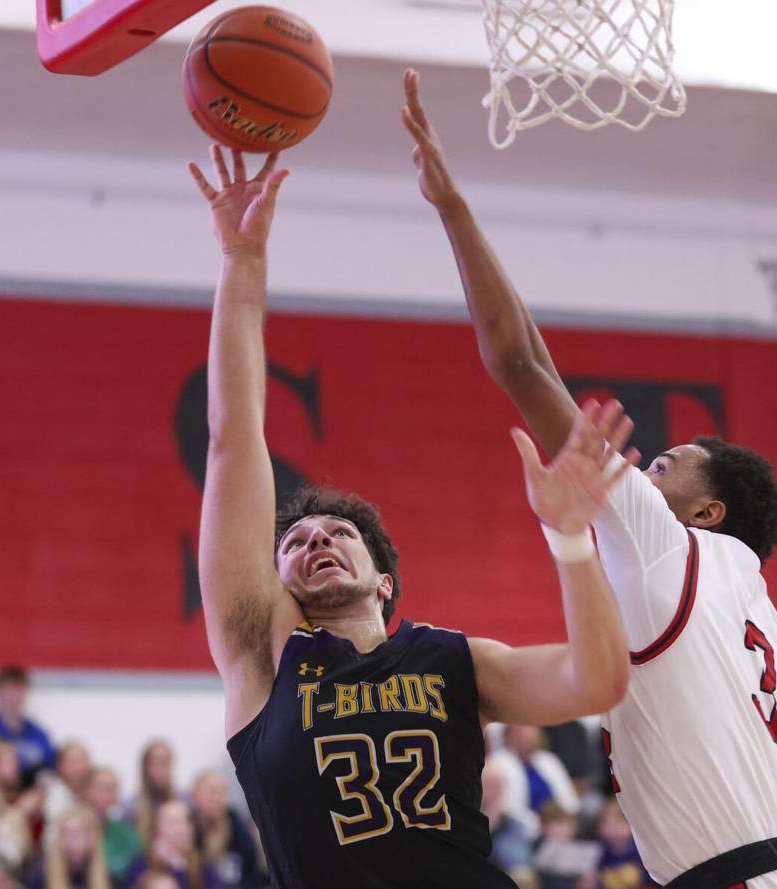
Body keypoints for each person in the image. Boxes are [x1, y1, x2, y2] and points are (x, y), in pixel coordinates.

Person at [401, 67, 777, 888]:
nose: (641, 467)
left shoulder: (663, 540)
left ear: (705, 511)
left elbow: (520, 363)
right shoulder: (772, 631)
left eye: (664, 466)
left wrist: (451, 207)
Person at [186, 143, 632, 889]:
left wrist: (569, 539)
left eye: (337, 533)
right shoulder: (264, 663)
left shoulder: (453, 660)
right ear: (279, 583)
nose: (315, 539)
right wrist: (241, 260)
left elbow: (597, 681)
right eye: (293, 541)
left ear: (384, 580)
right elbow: (234, 441)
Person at [189, 770, 267, 889]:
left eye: (222, 792)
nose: (218, 798)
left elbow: (251, 874)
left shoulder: (237, 829)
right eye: (212, 791)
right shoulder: (186, 828)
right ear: (194, 795)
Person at [124, 799, 219, 889]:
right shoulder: (141, 866)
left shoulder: (201, 865)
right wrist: (163, 866)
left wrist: (179, 868)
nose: (182, 829)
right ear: (157, 829)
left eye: (186, 822)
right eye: (173, 822)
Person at [26, 804, 110, 889]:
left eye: (84, 834)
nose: (76, 843)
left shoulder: (109, 876)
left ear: (95, 838)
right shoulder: (40, 875)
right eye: (69, 834)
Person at [81, 766, 142, 882]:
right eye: (100, 788)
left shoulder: (125, 831)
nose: (105, 795)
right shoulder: (74, 829)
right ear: (86, 791)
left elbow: (138, 869)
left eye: (111, 789)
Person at [126, 741, 176, 847]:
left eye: (165, 763)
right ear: (145, 768)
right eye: (156, 763)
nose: (162, 770)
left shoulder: (182, 804)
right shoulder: (130, 807)